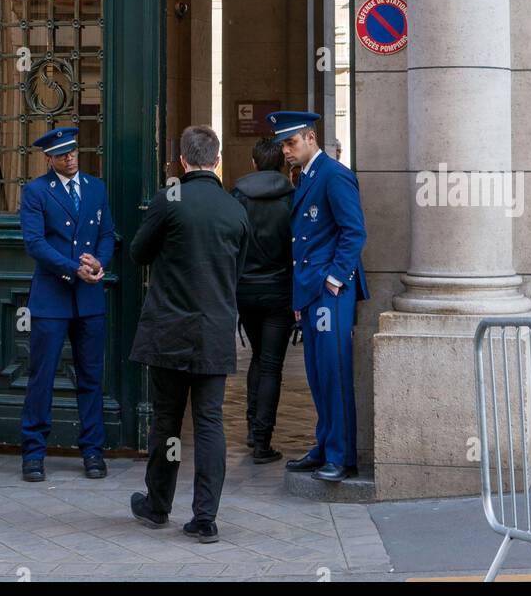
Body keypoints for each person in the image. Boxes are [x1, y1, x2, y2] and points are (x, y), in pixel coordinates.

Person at [128, 124, 249, 544]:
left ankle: (158, 505)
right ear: (216, 160)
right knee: (210, 422)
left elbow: (138, 252)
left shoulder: (171, 199)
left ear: (182, 160)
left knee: (168, 421)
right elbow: (239, 269)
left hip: (170, 328)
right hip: (214, 328)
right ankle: (205, 517)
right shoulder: (234, 207)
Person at [266, 109, 368, 482]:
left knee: (333, 372)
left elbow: (354, 231)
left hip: (329, 293)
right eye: (283, 145)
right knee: (316, 374)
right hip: (311, 291)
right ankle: (325, 445)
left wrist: (335, 279)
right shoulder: (309, 176)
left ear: (311, 138)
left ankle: (340, 455)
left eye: (291, 142)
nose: (286, 151)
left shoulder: (335, 175)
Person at [18, 125, 115, 483]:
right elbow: (34, 243)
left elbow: (107, 233)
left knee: (91, 376)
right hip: (51, 298)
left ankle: (93, 450)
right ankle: (33, 452)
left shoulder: (96, 188)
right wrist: (74, 268)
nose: (70, 158)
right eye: (62, 155)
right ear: (49, 159)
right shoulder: (36, 192)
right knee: (41, 377)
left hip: (89, 299)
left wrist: (100, 262)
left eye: (74, 152)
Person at [231, 137, 295, 464]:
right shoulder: (292, 197)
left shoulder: (238, 197)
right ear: (282, 164)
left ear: (253, 162)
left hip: (246, 290)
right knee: (271, 363)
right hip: (280, 289)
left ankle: (252, 428)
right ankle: (262, 440)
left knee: (258, 357)